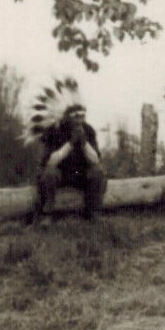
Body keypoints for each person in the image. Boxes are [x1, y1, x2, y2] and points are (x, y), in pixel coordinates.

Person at [26, 78, 108, 223]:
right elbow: (50, 162)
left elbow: (95, 159)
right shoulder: (54, 131)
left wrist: (84, 143)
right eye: (76, 116)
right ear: (66, 116)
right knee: (48, 174)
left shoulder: (88, 130)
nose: (80, 119)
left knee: (97, 172)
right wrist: (70, 144)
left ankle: (93, 212)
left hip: (80, 174)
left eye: (82, 116)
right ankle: (47, 214)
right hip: (60, 174)